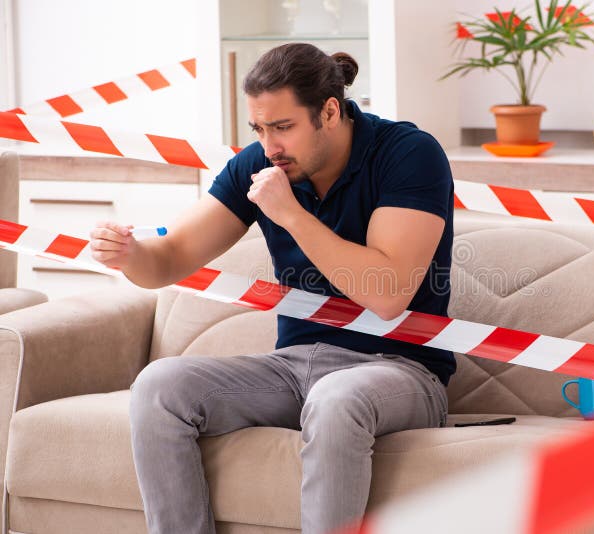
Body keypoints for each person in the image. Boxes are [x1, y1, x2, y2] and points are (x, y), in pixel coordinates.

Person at [89, 42, 455, 534]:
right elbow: (171, 256)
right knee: (160, 387)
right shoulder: (260, 166)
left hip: (401, 369)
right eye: (259, 130)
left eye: (283, 127)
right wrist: (129, 255)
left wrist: (290, 215)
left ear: (330, 110)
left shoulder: (409, 154)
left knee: (336, 397)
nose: (269, 147)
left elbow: (387, 294)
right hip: (294, 365)